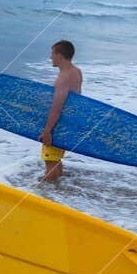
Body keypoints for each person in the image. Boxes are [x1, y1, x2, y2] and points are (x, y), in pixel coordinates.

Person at [39, 39, 81, 182]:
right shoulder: (76, 72)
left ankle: (45, 195)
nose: (51, 57)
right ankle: (59, 191)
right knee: (55, 159)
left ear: (60, 56)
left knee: (50, 161)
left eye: (52, 53)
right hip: (67, 123)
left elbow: (56, 109)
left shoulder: (64, 77)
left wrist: (47, 131)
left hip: (58, 125)